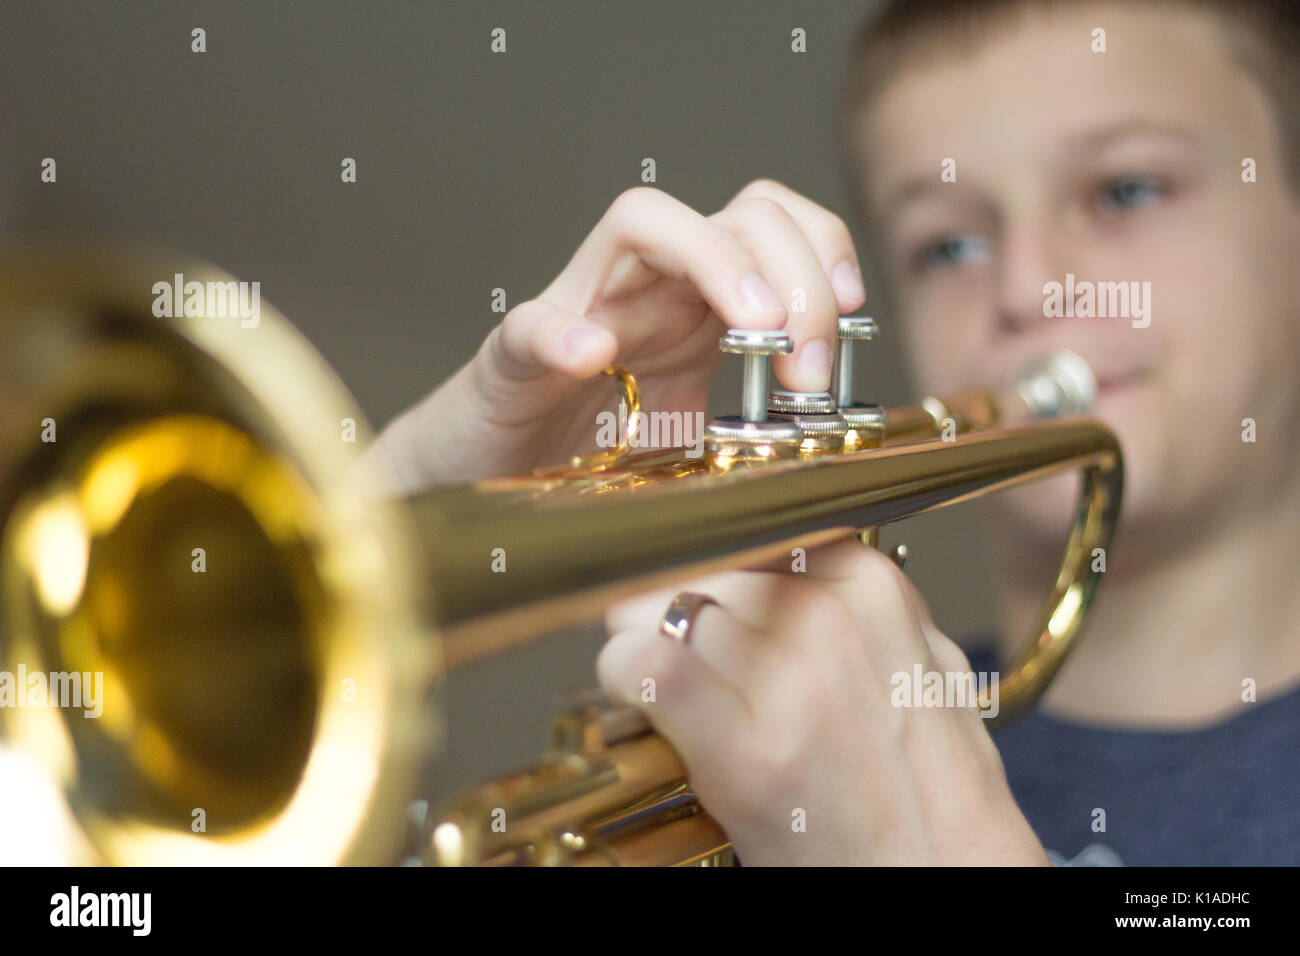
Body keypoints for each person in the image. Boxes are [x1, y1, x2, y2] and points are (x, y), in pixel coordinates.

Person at [365, 0, 1300, 865]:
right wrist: (398, 526)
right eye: (949, 245)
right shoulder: (777, 725)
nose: (1026, 287)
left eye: (1127, 190)